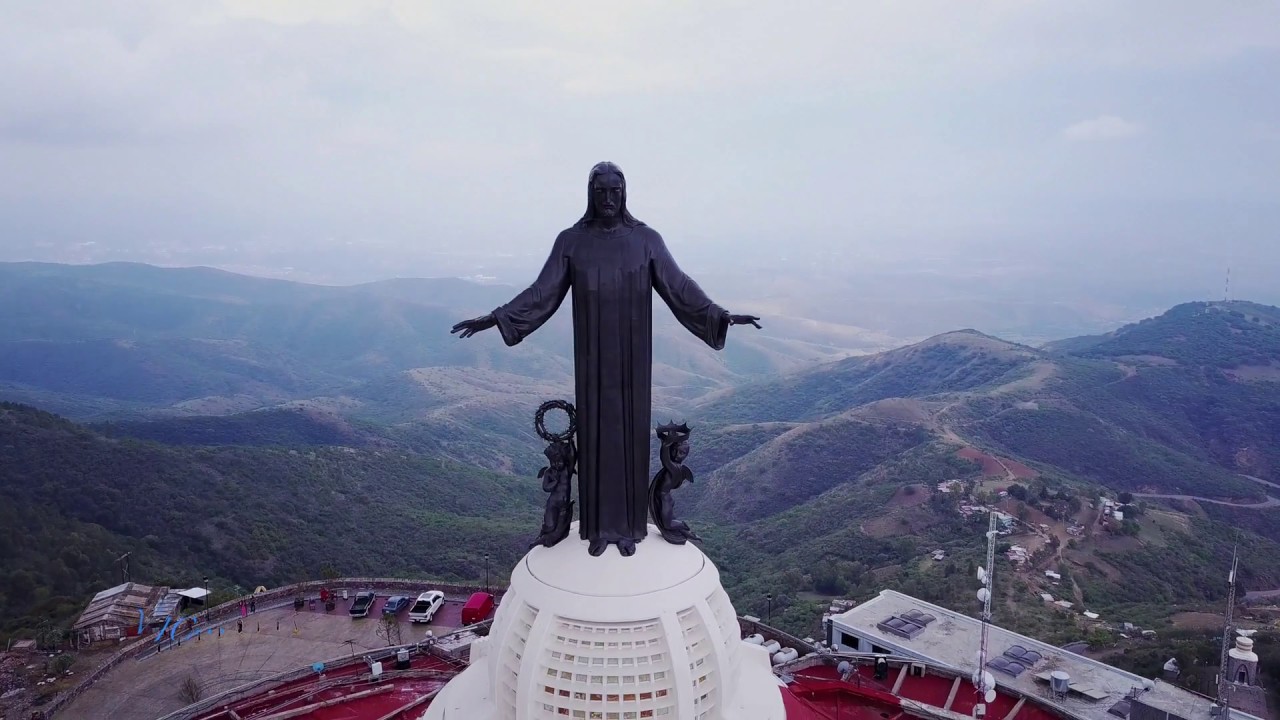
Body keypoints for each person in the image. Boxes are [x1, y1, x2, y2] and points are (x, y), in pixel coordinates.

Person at [453, 162, 760, 556]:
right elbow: (543, 291)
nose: (610, 199)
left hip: (634, 360)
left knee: (629, 437)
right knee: (598, 437)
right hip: (593, 359)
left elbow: (678, 285)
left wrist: (719, 314)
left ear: (625, 193)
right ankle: (599, 530)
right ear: (590, 194)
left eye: (616, 191)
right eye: (602, 192)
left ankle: (629, 528)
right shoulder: (571, 241)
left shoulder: (647, 240)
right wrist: (498, 318)